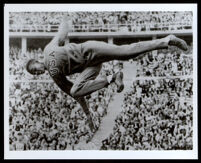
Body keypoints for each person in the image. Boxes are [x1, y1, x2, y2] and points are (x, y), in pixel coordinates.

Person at [26, 14, 188, 133]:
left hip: (91, 50)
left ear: (36, 61)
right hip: (91, 68)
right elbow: (76, 94)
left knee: (126, 53)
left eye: (35, 69)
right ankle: (113, 77)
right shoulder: (56, 75)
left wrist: (65, 18)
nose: (37, 72)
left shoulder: (49, 51)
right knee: (75, 90)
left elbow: (62, 33)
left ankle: (167, 40)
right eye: (35, 73)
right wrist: (88, 115)